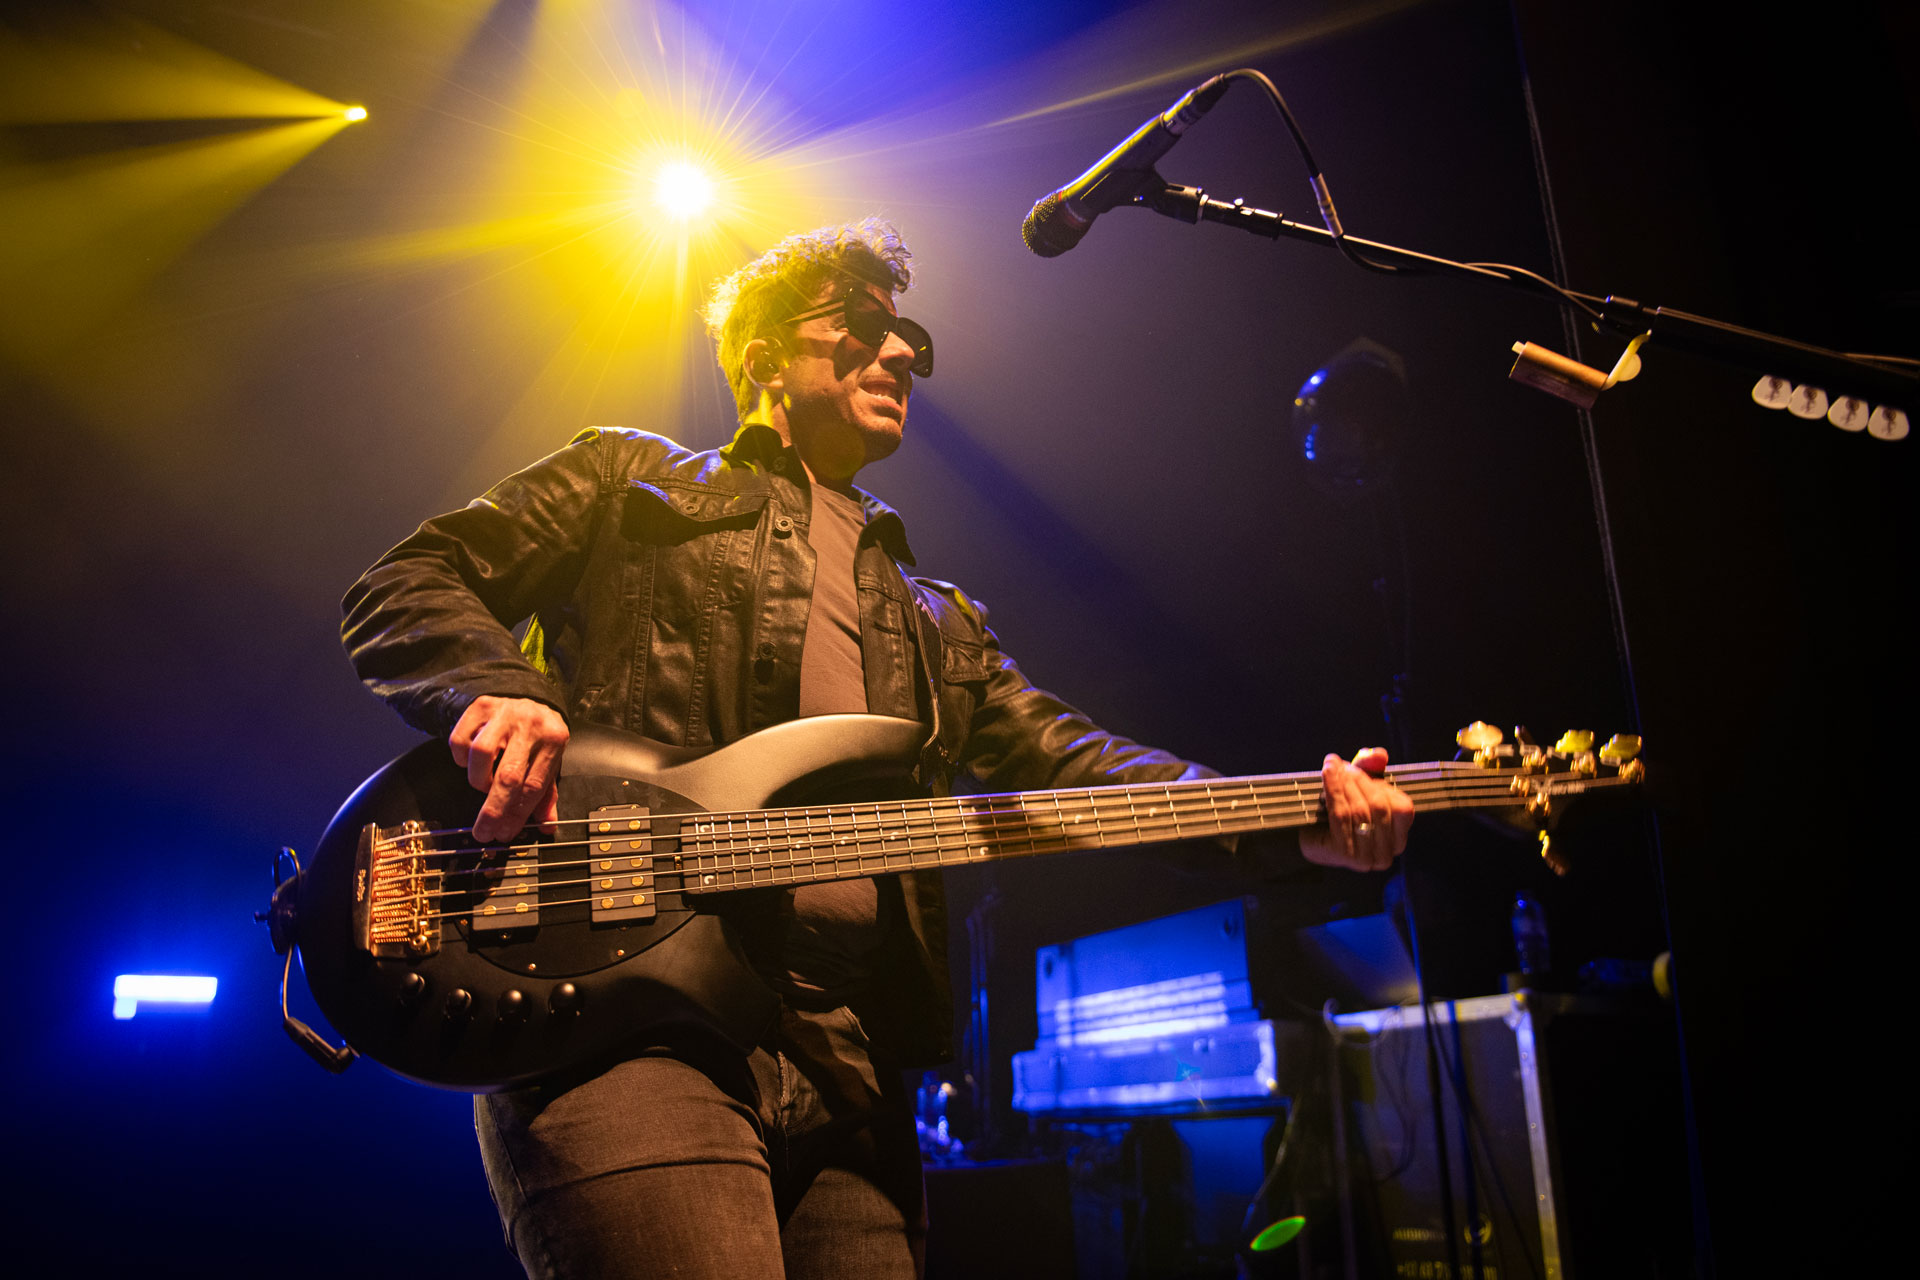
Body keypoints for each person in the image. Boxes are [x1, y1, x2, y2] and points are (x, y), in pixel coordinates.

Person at [341, 218, 1413, 1279]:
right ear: (765, 357)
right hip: (628, 1027)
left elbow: (1075, 763)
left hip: (845, 1053)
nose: (903, 353)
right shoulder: (630, 481)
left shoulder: (932, 614)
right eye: (863, 325)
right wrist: (500, 689)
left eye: (913, 340)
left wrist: (1299, 820)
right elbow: (405, 581)